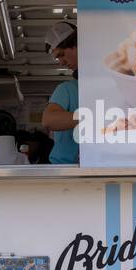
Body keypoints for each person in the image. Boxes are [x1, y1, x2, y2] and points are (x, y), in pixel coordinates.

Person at [42, 23, 80, 165]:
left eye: (62, 55)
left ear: (77, 45)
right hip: (67, 168)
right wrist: (90, 117)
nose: (61, 62)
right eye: (58, 58)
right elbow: (48, 119)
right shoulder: (67, 89)